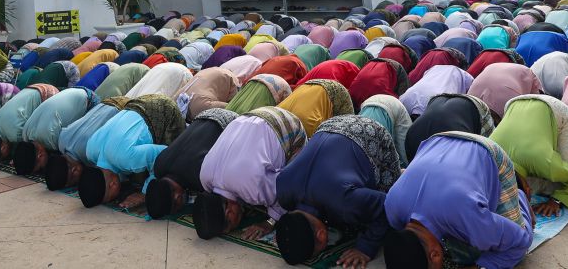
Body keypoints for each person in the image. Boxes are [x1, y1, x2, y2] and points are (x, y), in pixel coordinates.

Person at [383, 132, 533, 269]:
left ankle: (520, 198)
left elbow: (520, 243)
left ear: (434, 255)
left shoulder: (470, 219)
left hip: (486, 150)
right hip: (437, 142)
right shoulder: (391, 208)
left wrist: (478, 267)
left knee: (515, 246)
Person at [274, 115, 403, 268]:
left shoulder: (345, 203)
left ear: (322, 236)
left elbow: (386, 204)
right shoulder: (282, 190)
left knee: (394, 214)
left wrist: (366, 247)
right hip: (328, 125)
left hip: (369, 132)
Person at [195, 105, 307, 241]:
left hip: (286, 123)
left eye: (231, 225)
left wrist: (270, 222)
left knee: (299, 179)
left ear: (229, 212)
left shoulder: (253, 190)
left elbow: (285, 189)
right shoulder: (204, 177)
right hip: (247, 117)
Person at [490, 94, 568, 217]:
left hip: (555, 108)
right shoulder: (488, 157)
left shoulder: (545, 162)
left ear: (528, 189)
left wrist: (556, 200)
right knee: (547, 182)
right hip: (514, 104)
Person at [146, 108, 238, 219]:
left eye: (177, 207)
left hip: (232, 124)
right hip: (205, 114)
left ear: (177, 197)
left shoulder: (198, 177)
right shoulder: (159, 167)